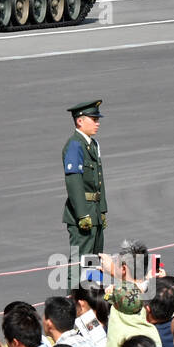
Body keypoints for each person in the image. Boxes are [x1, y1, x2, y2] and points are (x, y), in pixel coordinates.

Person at [62, 99, 107, 265]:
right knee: (79, 259)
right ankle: (73, 292)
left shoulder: (92, 144)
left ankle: (91, 291)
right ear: (80, 121)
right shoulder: (75, 145)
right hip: (83, 213)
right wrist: (82, 214)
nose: (98, 123)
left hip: (93, 211)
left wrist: (102, 210)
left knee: (95, 259)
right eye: (94, 119)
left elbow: (99, 179)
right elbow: (74, 181)